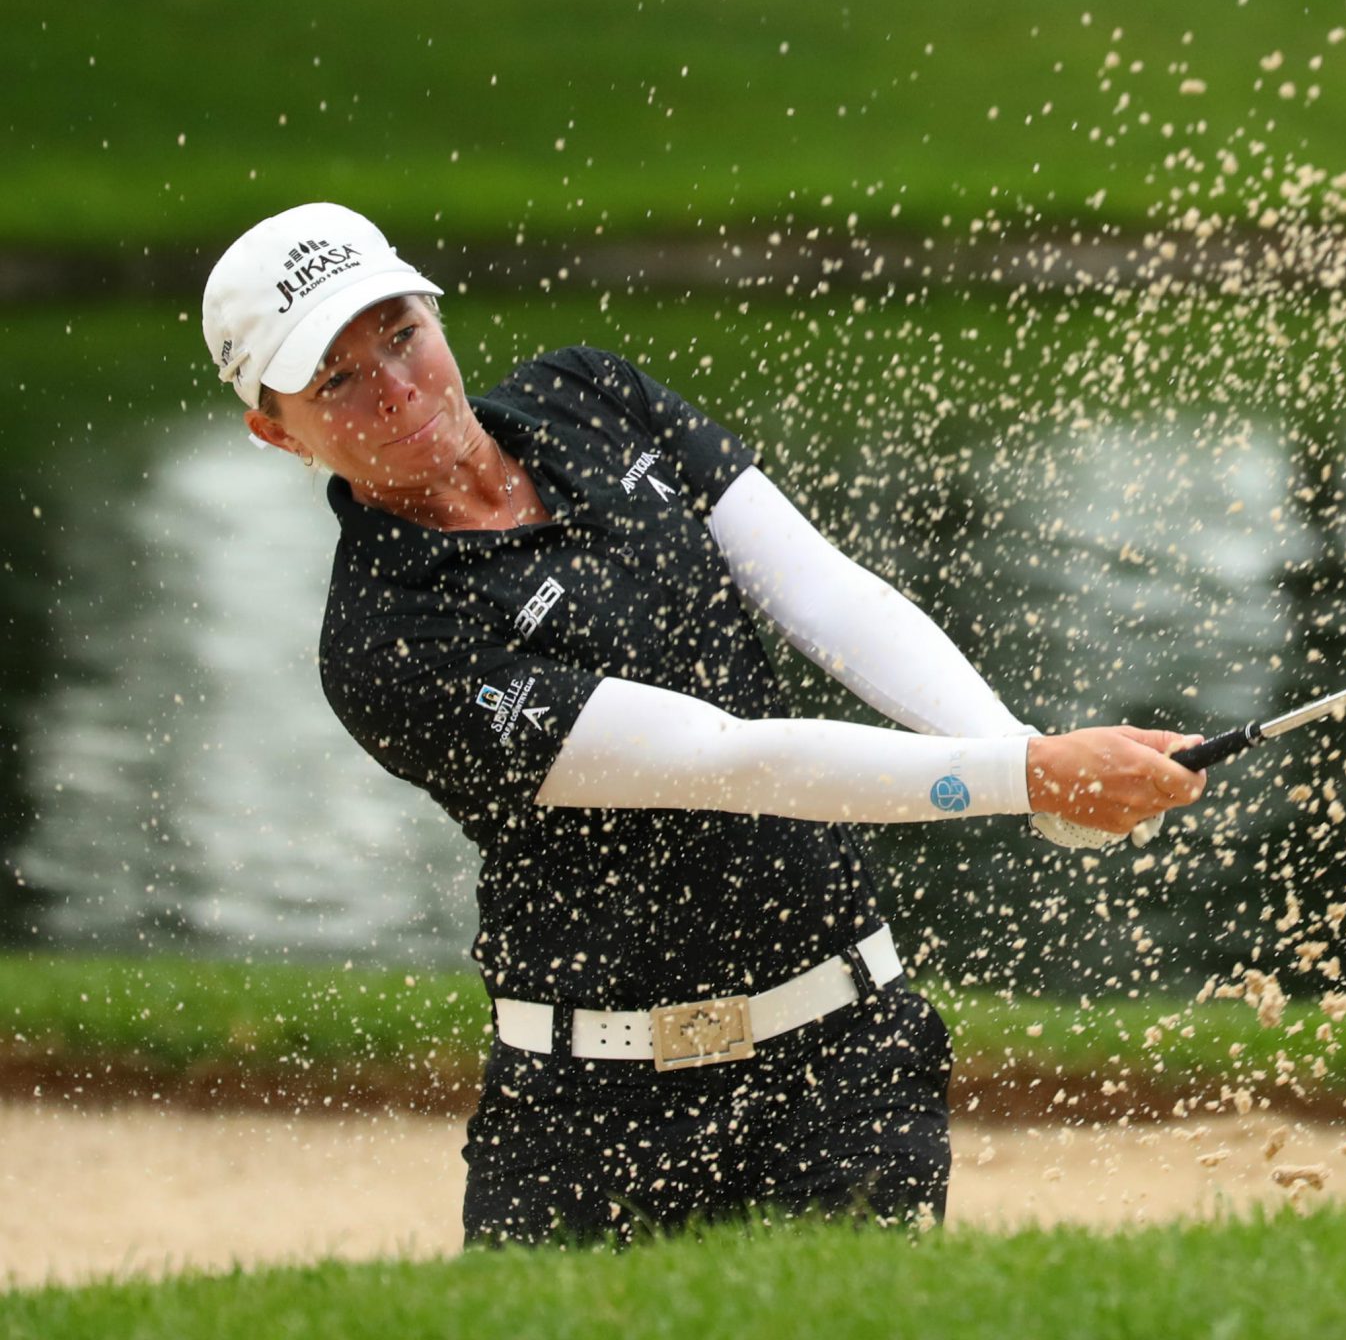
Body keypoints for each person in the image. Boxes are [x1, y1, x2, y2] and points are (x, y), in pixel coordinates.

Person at [200, 201, 1206, 1246]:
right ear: (277, 431)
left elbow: (825, 597)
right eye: (338, 382)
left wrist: (1022, 758)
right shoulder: (389, 641)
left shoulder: (591, 395)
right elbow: (720, 760)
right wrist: (1024, 776)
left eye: (402, 334)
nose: (400, 388)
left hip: (844, 1060)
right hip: (590, 1113)